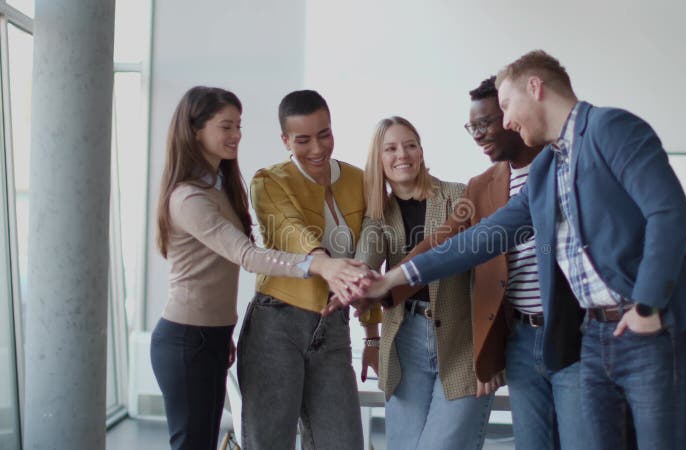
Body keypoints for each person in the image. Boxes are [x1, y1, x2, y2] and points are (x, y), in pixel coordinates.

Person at [337, 50, 686, 450]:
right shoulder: (548, 168)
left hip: (646, 326)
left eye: (505, 106)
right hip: (594, 334)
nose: (505, 122)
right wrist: (393, 278)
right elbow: (478, 239)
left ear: (535, 88)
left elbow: (669, 214)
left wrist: (647, 306)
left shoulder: (610, 127)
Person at [151, 86, 369, 450]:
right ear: (194, 130)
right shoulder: (190, 197)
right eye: (226, 127)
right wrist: (320, 264)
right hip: (187, 338)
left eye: (239, 126)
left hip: (214, 335)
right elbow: (249, 254)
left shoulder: (219, 185)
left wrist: (227, 334)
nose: (236, 136)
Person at [381, 77, 585, 449]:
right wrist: (386, 285)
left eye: (485, 123)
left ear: (509, 118)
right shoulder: (481, 186)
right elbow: (441, 242)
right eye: (471, 126)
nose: (477, 134)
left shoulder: (564, 165)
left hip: (574, 333)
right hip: (522, 339)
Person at [237, 90, 377, 449]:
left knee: (343, 442)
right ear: (285, 140)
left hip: (332, 328)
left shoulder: (360, 180)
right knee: (269, 442)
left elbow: (371, 254)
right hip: (276, 325)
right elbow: (290, 230)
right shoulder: (269, 181)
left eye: (324, 134)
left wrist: (373, 334)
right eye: (303, 140)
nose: (317, 148)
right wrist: (325, 264)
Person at [355, 116, 493, 450]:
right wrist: (371, 340)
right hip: (405, 345)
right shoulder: (379, 214)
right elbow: (365, 273)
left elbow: (490, 275)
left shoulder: (458, 198)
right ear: (379, 159)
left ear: (420, 152)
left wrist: (491, 353)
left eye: (410, 145)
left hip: (462, 342)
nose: (402, 154)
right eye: (391, 148)